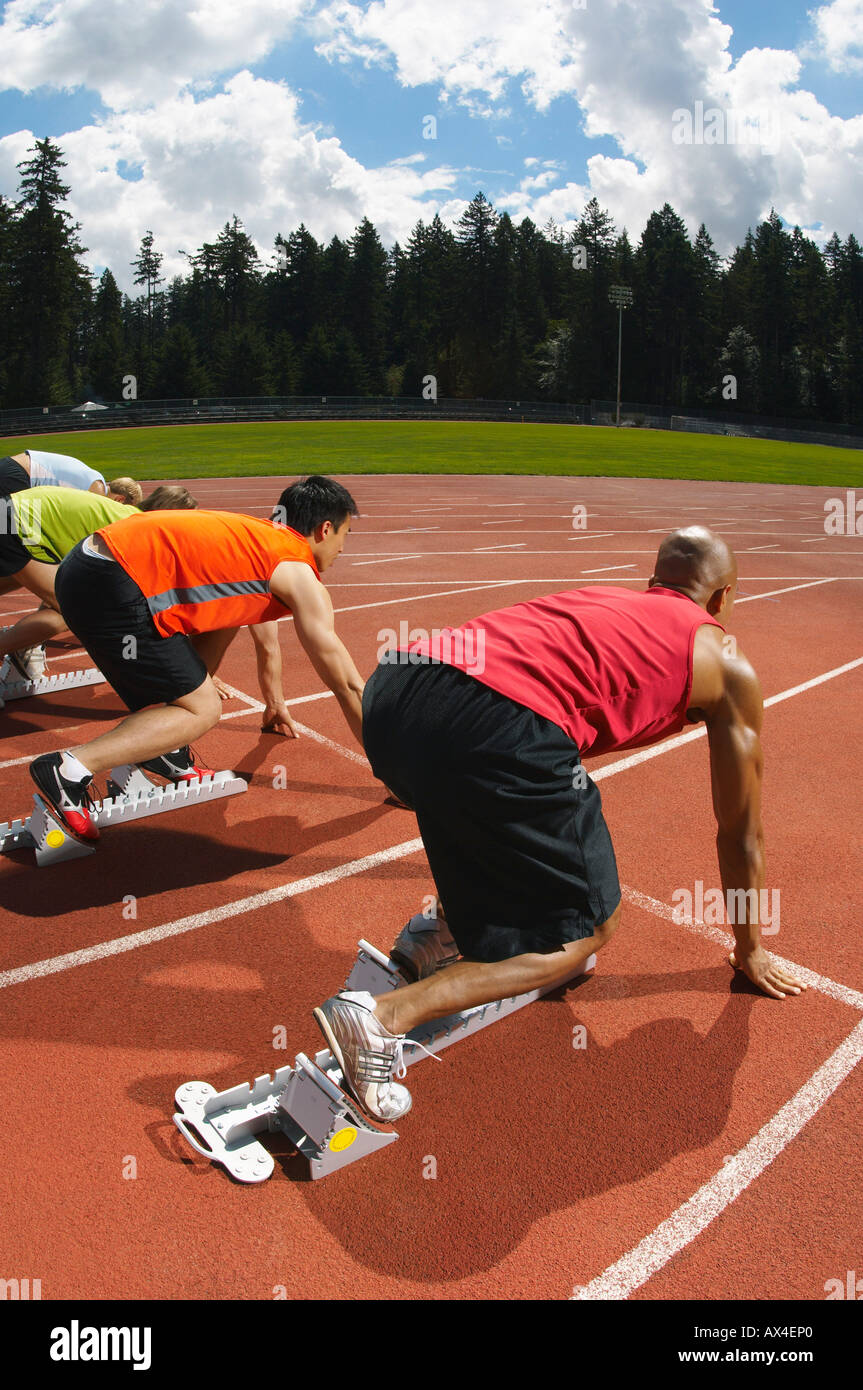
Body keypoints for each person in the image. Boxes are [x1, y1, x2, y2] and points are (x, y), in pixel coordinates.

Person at [313, 527, 808, 1122]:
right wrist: (749, 947)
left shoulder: (603, 601)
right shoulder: (727, 664)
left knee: (483, 799)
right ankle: (378, 1020)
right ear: (723, 598)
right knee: (586, 931)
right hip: (493, 722)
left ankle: (441, 932)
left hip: (396, 692)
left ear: (654, 583)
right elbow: (740, 827)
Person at [29, 476, 365, 843]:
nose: (343, 549)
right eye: (345, 535)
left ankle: (164, 751)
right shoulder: (296, 569)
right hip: (114, 580)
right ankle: (69, 769)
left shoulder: (254, 546)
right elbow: (347, 684)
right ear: (325, 528)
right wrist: (394, 774)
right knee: (202, 709)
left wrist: (275, 703)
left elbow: (237, 635)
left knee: (189, 686)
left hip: (86, 568)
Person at [0, 485, 197, 683]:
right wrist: (197, 671)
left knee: (57, 594)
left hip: (12, 512)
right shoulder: (137, 531)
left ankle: (24, 646)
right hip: (18, 520)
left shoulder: (124, 515)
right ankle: (20, 648)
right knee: (71, 612)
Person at [0, 449, 107, 496]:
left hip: (14, 469)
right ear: (119, 499)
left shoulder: (94, 478)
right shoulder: (97, 489)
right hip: (18, 475)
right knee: (25, 535)